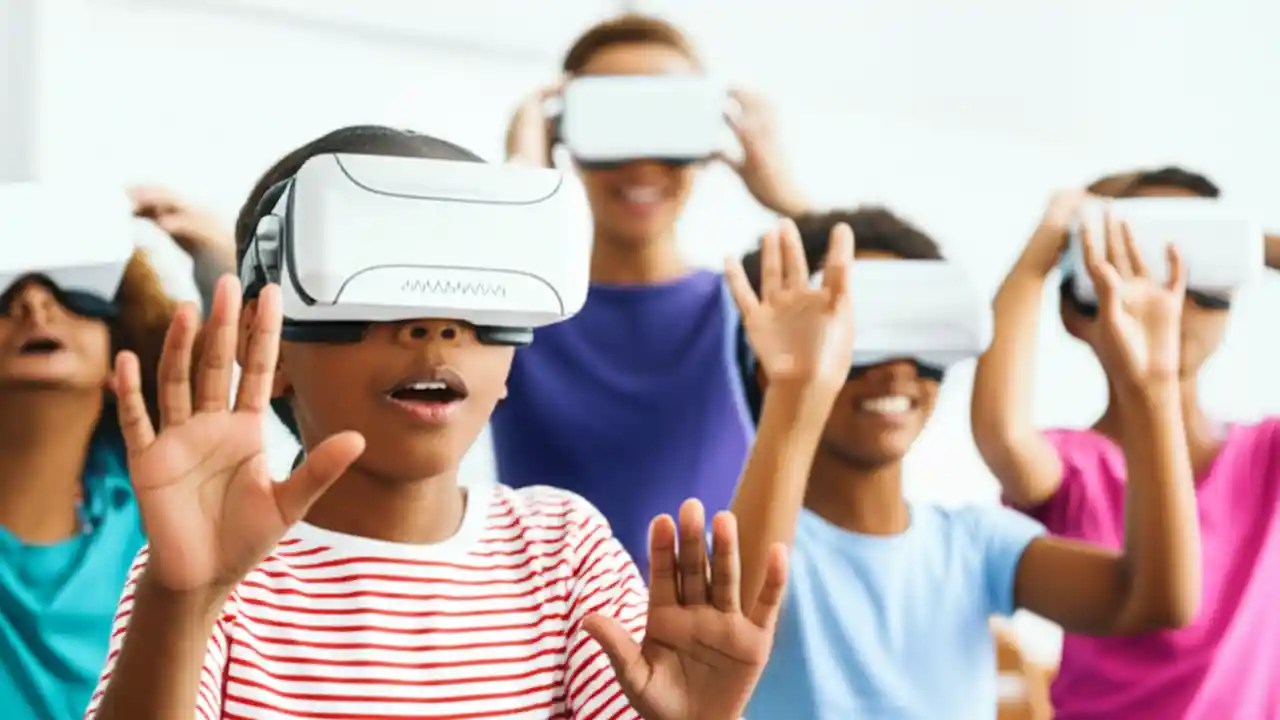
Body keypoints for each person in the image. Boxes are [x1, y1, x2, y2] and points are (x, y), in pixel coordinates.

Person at [84, 124, 857, 719]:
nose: (437, 325)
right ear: (273, 348)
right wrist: (181, 602)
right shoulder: (214, 575)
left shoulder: (562, 552)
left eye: (476, 298)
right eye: (373, 288)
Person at [721, 207, 1199, 719]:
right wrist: (796, 388)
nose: (897, 367)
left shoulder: (973, 545)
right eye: (860, 336)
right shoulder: (744, 544)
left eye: (918, 333)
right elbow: (732, 628)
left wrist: (1151, 388)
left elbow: (1153, 599)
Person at [493, 14, 812, 573]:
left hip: (718, 643)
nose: (641, 163)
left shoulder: (752, 310)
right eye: (612, 127)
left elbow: (887, 313)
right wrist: (523, 183)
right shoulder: (512, 305)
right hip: (542, 643)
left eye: (667, 127)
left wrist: (785, 192)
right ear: (565, 138)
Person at [972, 168, 1280, 719]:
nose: (1170, 296)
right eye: (1136, 263)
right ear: (1076, 311)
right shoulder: (1075, 468)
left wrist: (1245, 241)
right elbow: (1002, 432)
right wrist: (1044, 246)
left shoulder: (1266, 457)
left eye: (1199, 277)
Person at [0, 187, 232, 720]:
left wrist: (216, 256)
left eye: (78, 293)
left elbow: (241, 376)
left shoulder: (158, 505)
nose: (34, 304)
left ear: (120, 347)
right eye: (5, 289)